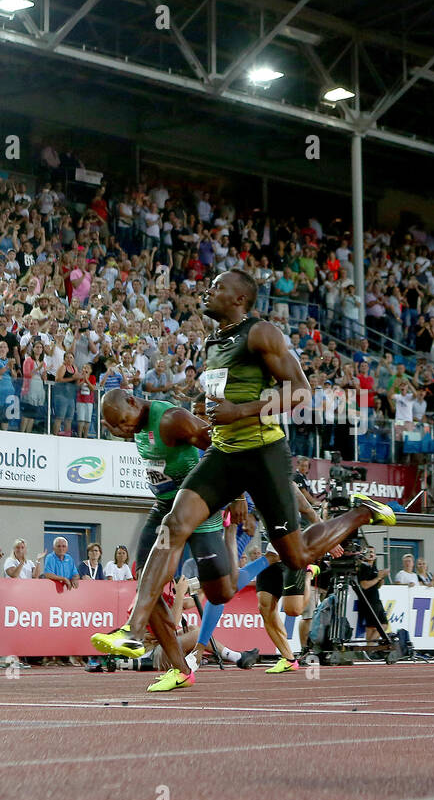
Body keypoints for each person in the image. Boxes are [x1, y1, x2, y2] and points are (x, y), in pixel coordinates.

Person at [90, 274, 394, 692]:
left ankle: (362, 512)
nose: (205, 292)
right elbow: (219, 401)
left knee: (296, 554)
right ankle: (133, 629)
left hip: (264, 452)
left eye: (214, 288)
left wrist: (242, 410)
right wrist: (211, 409)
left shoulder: (261, 333)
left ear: (238, 297)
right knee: (174, 524)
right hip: (224, 454)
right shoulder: (212, 344)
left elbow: (301, 391)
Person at [98, 390, 273, 681]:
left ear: (132, 401)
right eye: (116, 426)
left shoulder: (172, 419)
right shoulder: (133, 425)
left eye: (123, 422)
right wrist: (118, 428)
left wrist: (239, 494)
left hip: (197, 506)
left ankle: (267, 558)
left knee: (222, 590)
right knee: (146, 576)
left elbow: (223, 446)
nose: (123, 430)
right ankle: (175, 665)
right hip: (164, 507)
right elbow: (137, 437)